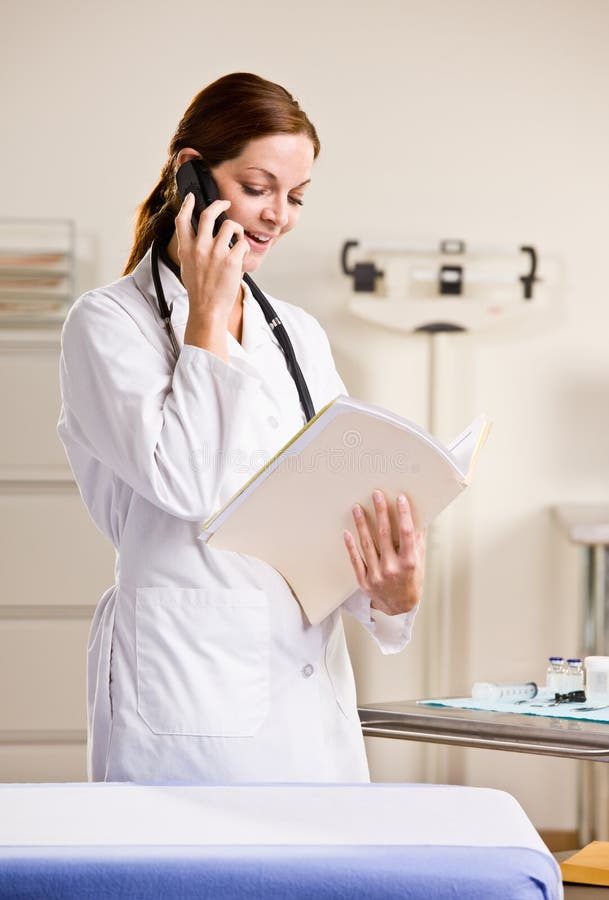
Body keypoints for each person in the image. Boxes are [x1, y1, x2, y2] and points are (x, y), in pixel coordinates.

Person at [58, 72, 426, 784]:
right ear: (190, 175)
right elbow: (186, 483)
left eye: (296, 196)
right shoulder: (108, 324)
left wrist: (390, 597)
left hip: (308, 703)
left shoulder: (298, 334)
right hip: (186, 697)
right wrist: (206, 314)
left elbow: (327, 510)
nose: (278, 216)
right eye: (258, 188)